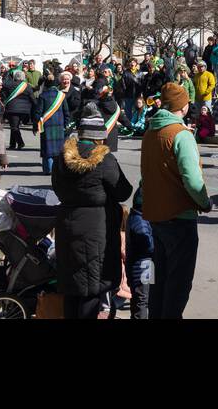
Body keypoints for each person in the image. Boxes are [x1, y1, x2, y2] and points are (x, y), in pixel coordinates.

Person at [52, 106, 133, 320]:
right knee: (91, 286)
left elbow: (57, 188)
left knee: (72, 286)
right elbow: (123, 191)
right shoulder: (105, 160)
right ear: (100, 138)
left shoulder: (62, 158)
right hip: (95, 227)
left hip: (67, 222)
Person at [139, 82, 211, 319]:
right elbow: (192, 180)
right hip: (180, 217)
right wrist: (204, 202)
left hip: (156, 216)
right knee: (178, 285)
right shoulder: (181, 135)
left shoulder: (150, 132)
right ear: (183, 105)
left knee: (159, 281)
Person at [125, 188, 155, 318]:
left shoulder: (135, 217)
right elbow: (147, 245)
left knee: (140, 299)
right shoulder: (140, 222)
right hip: (143, 268)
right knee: (142, 300)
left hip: (142, 267)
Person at [34, 75, 70, 175]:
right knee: (59, 150)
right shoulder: (61, 96)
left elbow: (38, 112)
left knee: (47, 149)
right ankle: (57, 170)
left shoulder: (42, 96)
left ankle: (48, 170)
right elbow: (66, 112)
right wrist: (66, 125)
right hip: (59, 125)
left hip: (46, 126)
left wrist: (35, 125)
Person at [1, 68, 33, 150]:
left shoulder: (10, 84)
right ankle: (12, 144)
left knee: (14, 127)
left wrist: (6, 73)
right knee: (14, 126)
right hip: (25, 110)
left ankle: (20, 142)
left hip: (12, 109)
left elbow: (3, 86)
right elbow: (32, 98)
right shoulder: (27, 86)